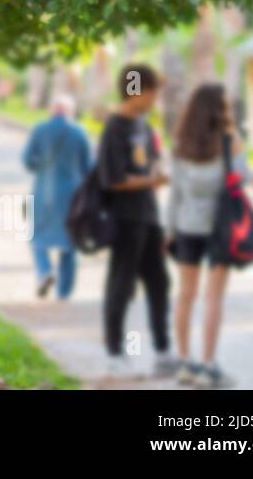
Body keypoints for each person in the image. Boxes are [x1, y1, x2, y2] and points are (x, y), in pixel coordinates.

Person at [97, 63, 176, 378]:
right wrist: (151, 182)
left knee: (159, 282)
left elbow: (149, 162)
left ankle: (162, 351)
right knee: (121, 284)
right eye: (153, 89)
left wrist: (156, 173)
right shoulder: (114, 128)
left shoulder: (143, 125)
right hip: (125, 218)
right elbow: (112, 179)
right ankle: (115, 355)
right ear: (137, 91)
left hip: (148, 215)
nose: (156, 96)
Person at [167, 82, 247, 389]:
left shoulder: (181, 145)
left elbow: (175, 194)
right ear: (219, 110)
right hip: (220, 231)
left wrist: (169, 230)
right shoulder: (228, 143)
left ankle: (185, 363)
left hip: (187, 228)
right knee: (213, 298)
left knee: (185, 296)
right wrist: (237, 146)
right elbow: (243, 179)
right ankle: (208, 366)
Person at [22, 93, 91, 299]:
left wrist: (42, 165)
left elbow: (28, 161)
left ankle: (44, 272)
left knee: (38, 237)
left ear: (52, 110)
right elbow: (87, 167)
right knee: (70, 241)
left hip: (43, 192)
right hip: (72, 195)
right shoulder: (79, 133)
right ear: (70, 112)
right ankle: (64, 292)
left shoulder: (40, 130)